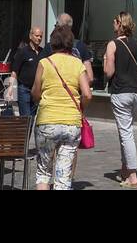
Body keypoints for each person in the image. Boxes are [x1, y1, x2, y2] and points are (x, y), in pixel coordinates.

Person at [30, 24, 91, 190]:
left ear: (52, 43)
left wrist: (40, 99)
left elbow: (35, 92)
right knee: (63, 177)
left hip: (47, 121)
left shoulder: (44, 62)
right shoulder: (78, 64)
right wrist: (80, 108)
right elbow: (87, 94)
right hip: (71, 123)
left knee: (43, 172)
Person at [103, 12, 137, 187]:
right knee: (125, 130)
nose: (112, 23)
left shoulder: (112, 45)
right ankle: (125, 170)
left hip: (122, 94)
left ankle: (132, 176)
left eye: (114, 21)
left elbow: (108, 72)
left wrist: (105, 60)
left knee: (126, 133)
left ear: (120, 24)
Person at [9, 26, 44, 118]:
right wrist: (10, 89)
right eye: (37, 36)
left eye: (41, 36)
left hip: (37, 90)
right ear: (30, 36)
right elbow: (14, 71)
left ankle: (29, 132)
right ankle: (25, 132)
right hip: (24, 89)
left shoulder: (43, 52)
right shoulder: (23, 52)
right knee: (26, 118)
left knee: (33, 118)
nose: (39, 38)